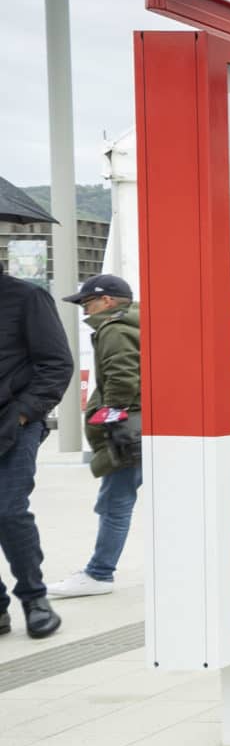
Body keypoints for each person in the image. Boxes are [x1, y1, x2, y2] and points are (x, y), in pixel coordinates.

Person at [47, 275, 144, 599]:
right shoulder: (139, 321)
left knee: (115, 502)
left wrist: (111, 416)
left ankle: (99, 573)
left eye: (88, 303)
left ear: (108, 300)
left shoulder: (114, 329)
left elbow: (122, 374)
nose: (85, 310)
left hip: (129, 431)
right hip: (147, 425)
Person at [0, 264, 70, 640]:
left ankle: (34, 598)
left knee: (8, 511)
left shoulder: (27, 297)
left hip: (14, 423)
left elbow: (57, 363)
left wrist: (26, 412)